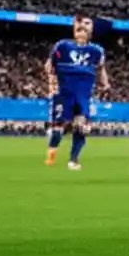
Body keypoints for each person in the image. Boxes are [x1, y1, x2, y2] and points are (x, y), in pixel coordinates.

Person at [44, 12, 109, 170]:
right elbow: (48, 66)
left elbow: (101, 69)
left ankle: (73, 159)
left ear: (89, 34)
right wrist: (51, 83)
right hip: (63, 93)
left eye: (84, 30)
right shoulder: (63, 46)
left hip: (83, 95)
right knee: (58, 129)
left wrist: (106, 84)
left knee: (82, 127)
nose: (81, 33)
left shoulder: (97, 51)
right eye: (79, 30)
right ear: (75, 32)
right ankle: (52, 152)